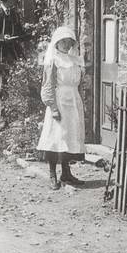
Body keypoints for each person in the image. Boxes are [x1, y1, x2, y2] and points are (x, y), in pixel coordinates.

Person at [38, 25, 86, 190]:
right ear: (56, 43)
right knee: (55, 138)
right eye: (62, 41)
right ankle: (52, 174)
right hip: (59, 102)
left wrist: (79, 104)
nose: (66, 45)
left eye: (68, 42)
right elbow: (48, 86)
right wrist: (53, 107)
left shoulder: (75, 60)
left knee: (69, 137)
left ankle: (66, 173)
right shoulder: (53, 61)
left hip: (73, 101)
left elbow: (78, 85)